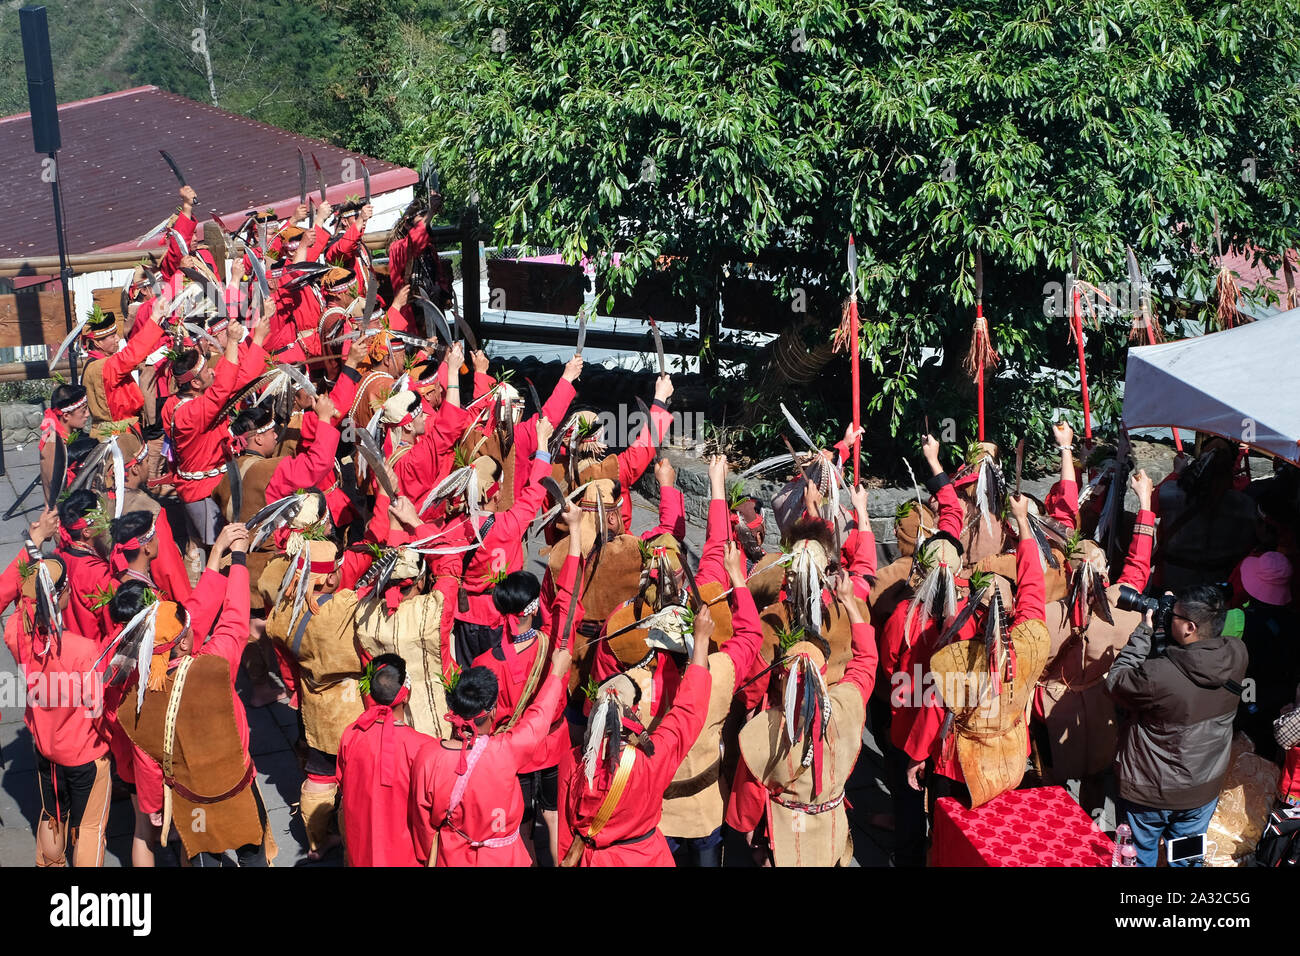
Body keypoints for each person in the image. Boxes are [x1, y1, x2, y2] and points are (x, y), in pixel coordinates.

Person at [1105, 584, 1250, 866]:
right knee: (1184, 860)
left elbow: (1117, 681)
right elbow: (1192, 663)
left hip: (1150, 793)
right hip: (1201, 793)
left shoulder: (1158, 675)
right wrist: (1169, 624)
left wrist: (1145, 632)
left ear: (1190, 627)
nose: (1170, 616)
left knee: (1138, 858)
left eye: (1175, 616)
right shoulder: (1237, 653)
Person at [1, 509, 112, 867]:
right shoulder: (83, 650)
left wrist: (33, 544)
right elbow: (98, 710)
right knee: (90, 828)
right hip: (84, 752)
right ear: (61, 597)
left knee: (52, 814)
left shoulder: (16, 633)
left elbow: (19, 594)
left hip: (45, 749)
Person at [409, 646, 573, 866]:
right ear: (493, 711)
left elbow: (423, 827)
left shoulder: (428, 757)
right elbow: (539, 718)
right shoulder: (507, 750)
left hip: (453, 857)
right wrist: (556, 675)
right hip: (505, 858)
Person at [336, 654, 432, 866]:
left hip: (361, 846)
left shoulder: (351, 734)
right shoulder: (422, 746)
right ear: (405, 695)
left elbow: (343, 784)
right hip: (404, 852)